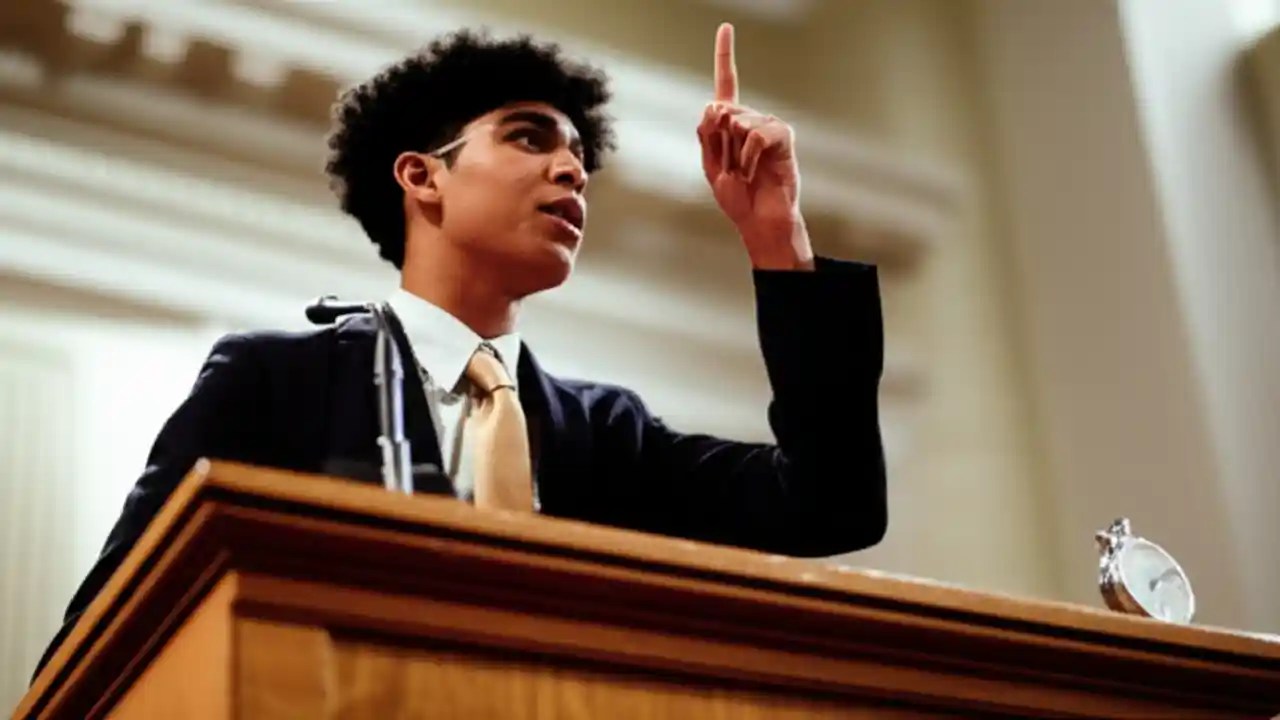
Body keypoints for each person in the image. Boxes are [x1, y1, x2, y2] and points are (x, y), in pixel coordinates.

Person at [34, 23, 886, 678]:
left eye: (579, 156)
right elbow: (106, 633)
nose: (573, 171)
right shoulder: (275, 381)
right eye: (530, 138)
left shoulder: (605, 435)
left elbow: (830, 506)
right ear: (422, 176)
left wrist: (777, 239)